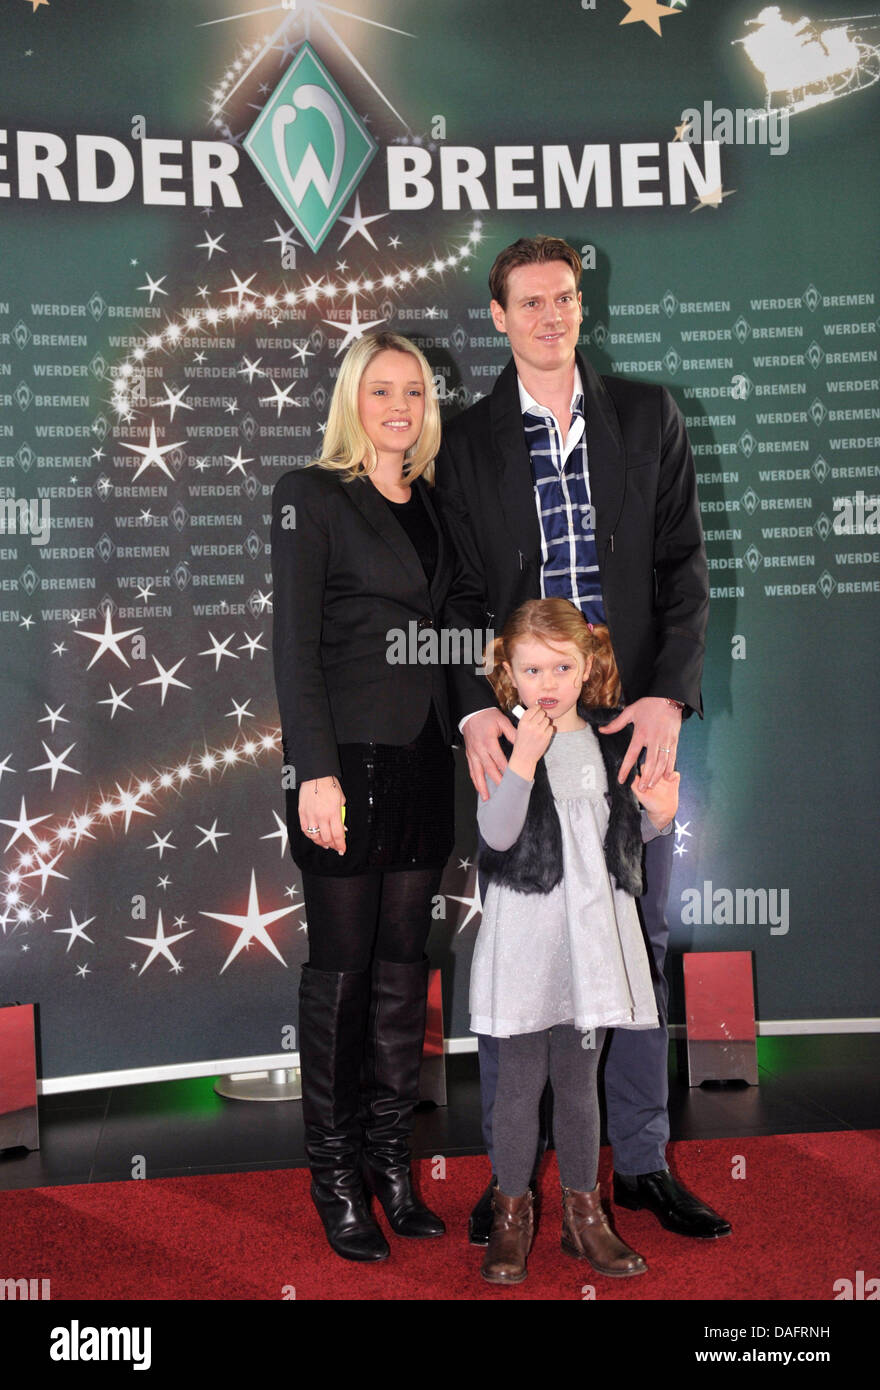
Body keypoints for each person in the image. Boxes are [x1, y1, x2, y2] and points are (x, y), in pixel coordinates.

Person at [433, 234, 730, 1242]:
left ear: (578, 306)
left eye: (564, 298)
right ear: (500, 315)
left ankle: (638, 1162)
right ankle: (512, 1173)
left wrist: (666, 699)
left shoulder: (647, 415)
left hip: (627, 721)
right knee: (518, 946)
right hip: (526, 732)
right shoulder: (466, 441)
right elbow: (456, 592)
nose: (551, 315)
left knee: (633, 943)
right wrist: (478, 708)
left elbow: (685, 570)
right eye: (530, 302)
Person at [270, 331, 456, 1262]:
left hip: (424, 761)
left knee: (399, 971)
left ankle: (393, 1165)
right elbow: (293, 647)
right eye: (381, 389)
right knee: (342, 974)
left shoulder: (433, 503)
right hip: (346, 763)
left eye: (413, 391)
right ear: (353, 399)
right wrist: (315, 771)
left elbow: (454, 631)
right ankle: (335, 1176)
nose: (399, 405)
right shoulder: (311, 496)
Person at [472, 599, 678, 1284]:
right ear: (509, 673)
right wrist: (524, 760)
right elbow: (498, 835)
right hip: (529, 940)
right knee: (519, 1084)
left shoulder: (607, 740)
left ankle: (585, 1218)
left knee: (580, 1083)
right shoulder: (502, 741)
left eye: (562, 666)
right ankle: (511, 1213)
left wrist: (657, 815)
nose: (549, 682)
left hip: (589, 942)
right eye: (532, 669)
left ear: (588, 665)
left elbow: (619, 838)